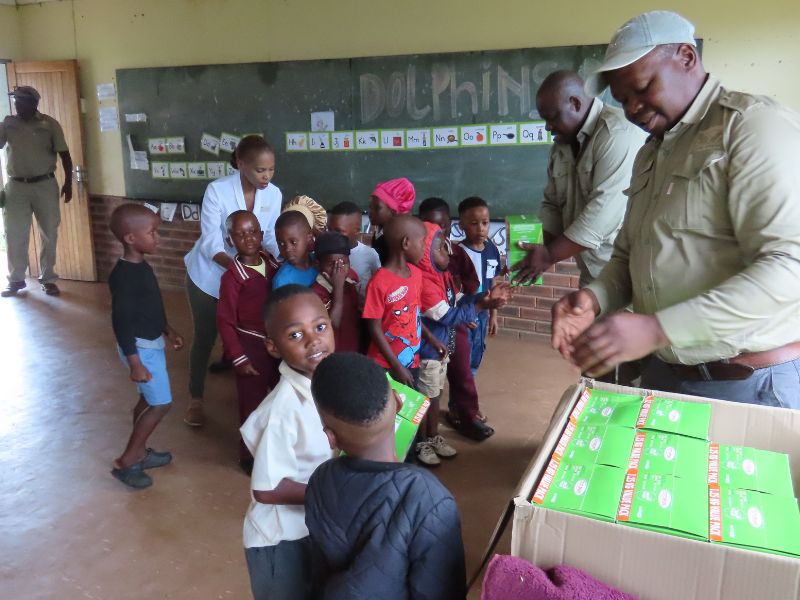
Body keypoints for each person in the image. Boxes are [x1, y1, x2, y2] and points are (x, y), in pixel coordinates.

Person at [540, 10, 800, 407]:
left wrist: (657, 329)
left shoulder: (751, 128)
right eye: (623, 100)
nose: (632, 109)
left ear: (686, 57)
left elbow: (788, 268)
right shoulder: (651, 152)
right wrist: (592, 299)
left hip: (747, 384)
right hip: (667, 375)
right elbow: (628, 254)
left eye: (643, 89)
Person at [513, 70, 647, 386]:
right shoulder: (562, 144)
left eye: (552, 117)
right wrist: (539, 249)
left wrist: (549, 256)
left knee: (626, 374)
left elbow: (601, 217)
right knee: (595, 369)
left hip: (628, 281)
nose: (548, 127)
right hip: (592, 277)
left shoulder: (618, 135)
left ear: (575, 102)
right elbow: (551, 203)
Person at [306, 352, 467, 599]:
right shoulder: (429, 498)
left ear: (330, 436)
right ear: (398, 401)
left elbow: (319, 571)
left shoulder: (319, 480)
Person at [239, 285, 335, 600]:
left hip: (313, 528)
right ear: (273, 347)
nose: (313, 341)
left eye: (320, 327)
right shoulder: (282, 411)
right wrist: (336, 493)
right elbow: (267, 488)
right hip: (281, 542)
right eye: (295, 335)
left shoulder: (325, 385)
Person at [183, 135, 281, 427]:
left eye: (271, 170)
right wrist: (234, 267)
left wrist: (282, 259)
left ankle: (239, 368)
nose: (266, 176)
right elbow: (211, 238)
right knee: (206, 335)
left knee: (247, 329)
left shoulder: (274, 194)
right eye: (259, 170)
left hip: (247, 274)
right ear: (240, 164)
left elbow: (271, 236)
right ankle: (195, 399)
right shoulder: (218, 190)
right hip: (209, 276)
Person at [414, 222, 511, 465]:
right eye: (441, 249)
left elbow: (458, 300)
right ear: (425, 255)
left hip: (440, 350)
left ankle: (433, 436)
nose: (449, 254)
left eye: (447, 248)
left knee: (435, 395)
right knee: (426, 398)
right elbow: (448, 316)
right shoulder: (426, 284)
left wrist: (482, 297)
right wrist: (481, 306)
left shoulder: (442, 276)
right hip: (428, 353)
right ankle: (422, 442)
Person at [108, 204, 184, 489]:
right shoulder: (126, 277)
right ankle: (128, 460)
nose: (158, 238)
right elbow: (122, 321)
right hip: (140, 349)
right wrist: (135, 362)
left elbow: (151, 307)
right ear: (130, 238)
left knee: (146, 400)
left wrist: (167, 329)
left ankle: (140, 450)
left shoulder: (141, 266)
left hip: (149, 344)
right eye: (152, 232)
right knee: (161, 403)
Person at [419, 198, 494, 440]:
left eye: (441, 226)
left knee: (462, 370)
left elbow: (465, 289)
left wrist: (473, 307)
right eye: (429, 226)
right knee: (430, 378)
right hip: (433, 327)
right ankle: (426, 432)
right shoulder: (419, 262)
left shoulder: (454, 254)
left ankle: (465, 413)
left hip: (458, 321)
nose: (436, 232)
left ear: (450, 227)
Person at [216, 210, 281, 474]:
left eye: (253, 232)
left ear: (262, 235)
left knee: (279, 398)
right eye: (240, 235)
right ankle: (248, 455)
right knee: (251, 403)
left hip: (277, 346)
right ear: (231, 241)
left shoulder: (273, 263)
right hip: (250, 345)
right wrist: (238, 357)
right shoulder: (233, 277)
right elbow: (225, 321)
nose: (249, 238)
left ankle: (276, 446)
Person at [0, 86, 72, 297]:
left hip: (45, 184)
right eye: (15, 101)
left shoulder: (49, 124)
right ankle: (16, 280)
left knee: (49, 232)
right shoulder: (8, 124)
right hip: (16, 186)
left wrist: (68, 182)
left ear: (34, 102)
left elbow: (65, 155)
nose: (17, 104)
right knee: (14, 233)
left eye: (21, 100)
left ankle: (48, 278)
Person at [363, 215, 426, 388]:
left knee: (406, 410)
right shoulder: (379, 282)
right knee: (384, 409)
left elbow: (415, 315)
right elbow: (373, 327)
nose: (424, 248)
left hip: (411, 359)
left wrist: (431, 339)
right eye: (422, 242)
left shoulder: (416, 274)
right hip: (384, 364)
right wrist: (396, 365)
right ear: (406, 243)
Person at [458, 196, 501, 377]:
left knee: (477, 352)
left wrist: (494, 315)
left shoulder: (492, 249)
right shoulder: (458, 253)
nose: (481, 229)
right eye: (474, 223)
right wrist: (461, 316)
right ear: (462, 225)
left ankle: (469, 384)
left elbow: (493, 282)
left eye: (485, 223)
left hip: (483, 313)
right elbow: (452, 289)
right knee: (462, 356)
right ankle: (461, 394)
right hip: (464, 313)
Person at [311, 232, 361, 353]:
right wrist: (338, 287)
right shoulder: (317, 293)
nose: (339, 270)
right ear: (318, 265)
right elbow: (333, 325)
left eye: (344, 263)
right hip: (335, 353)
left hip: (354, 348)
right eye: (331, 264)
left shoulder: (351, 277)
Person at [328, 201, 380, 301]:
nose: (332, 235)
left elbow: (378, 286)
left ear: (357, 230)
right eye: (329, 230)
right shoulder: (327, 254)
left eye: (339, 231)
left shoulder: (370, 255)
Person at [368, 177, 416, 263]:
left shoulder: (394, 243)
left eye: (377, 208)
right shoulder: (380, 233)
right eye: (370, 207)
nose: (370, 212)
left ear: (394, 211)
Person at [272, 210, 318, 289]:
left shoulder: (321, 261)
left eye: (293, 242)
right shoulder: (282, 281)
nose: (287, 249)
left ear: (309, 238)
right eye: (281, 243)